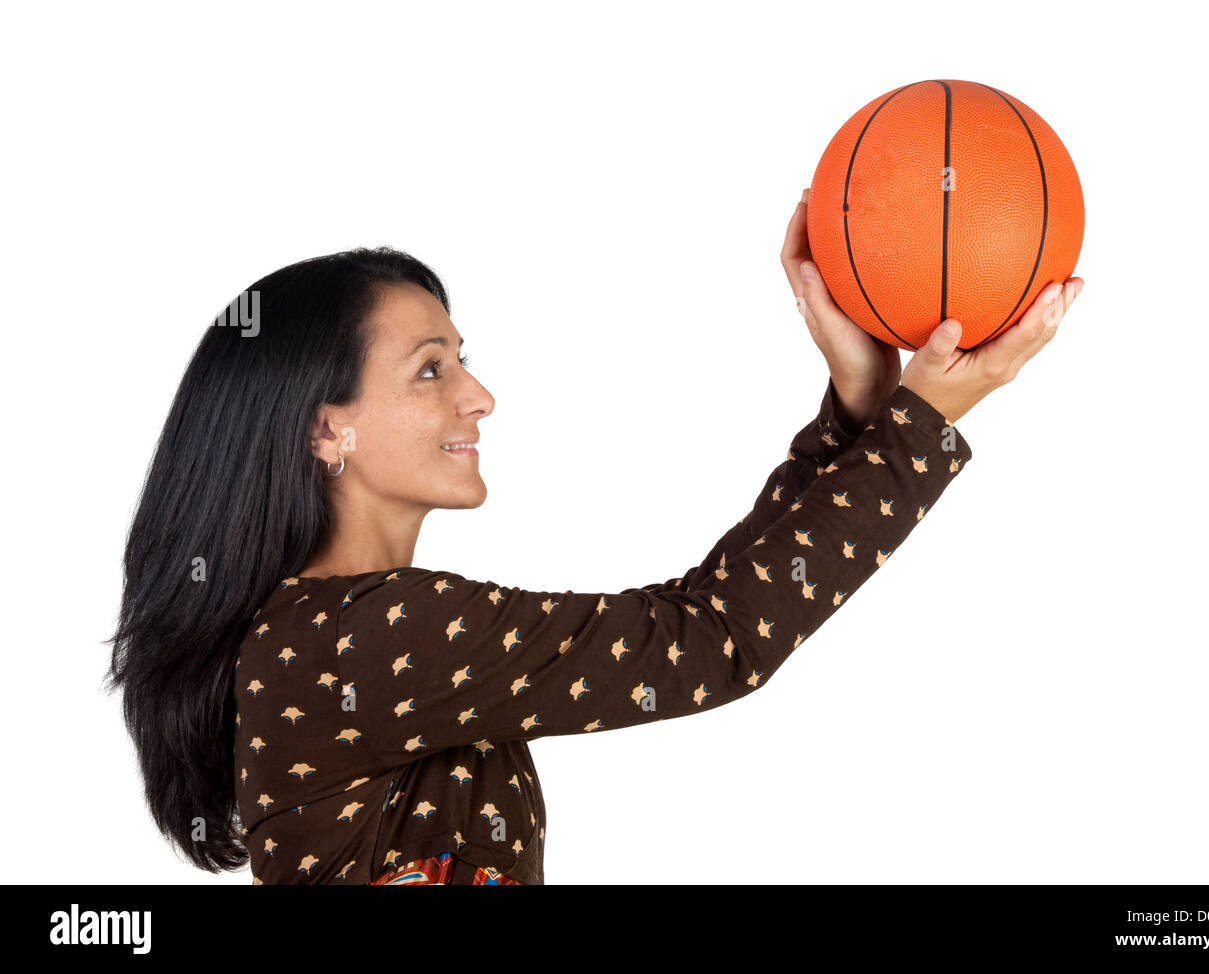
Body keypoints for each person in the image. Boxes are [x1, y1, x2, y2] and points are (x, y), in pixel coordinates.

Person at [106, 189, 1083, 884]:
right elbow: (710, 640)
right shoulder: (361, 633)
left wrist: (861, 411)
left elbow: (699, 611)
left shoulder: (343, 630)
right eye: (429, 369)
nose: (477, 396)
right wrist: (915, 425)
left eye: (464, 361)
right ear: (328, 429)